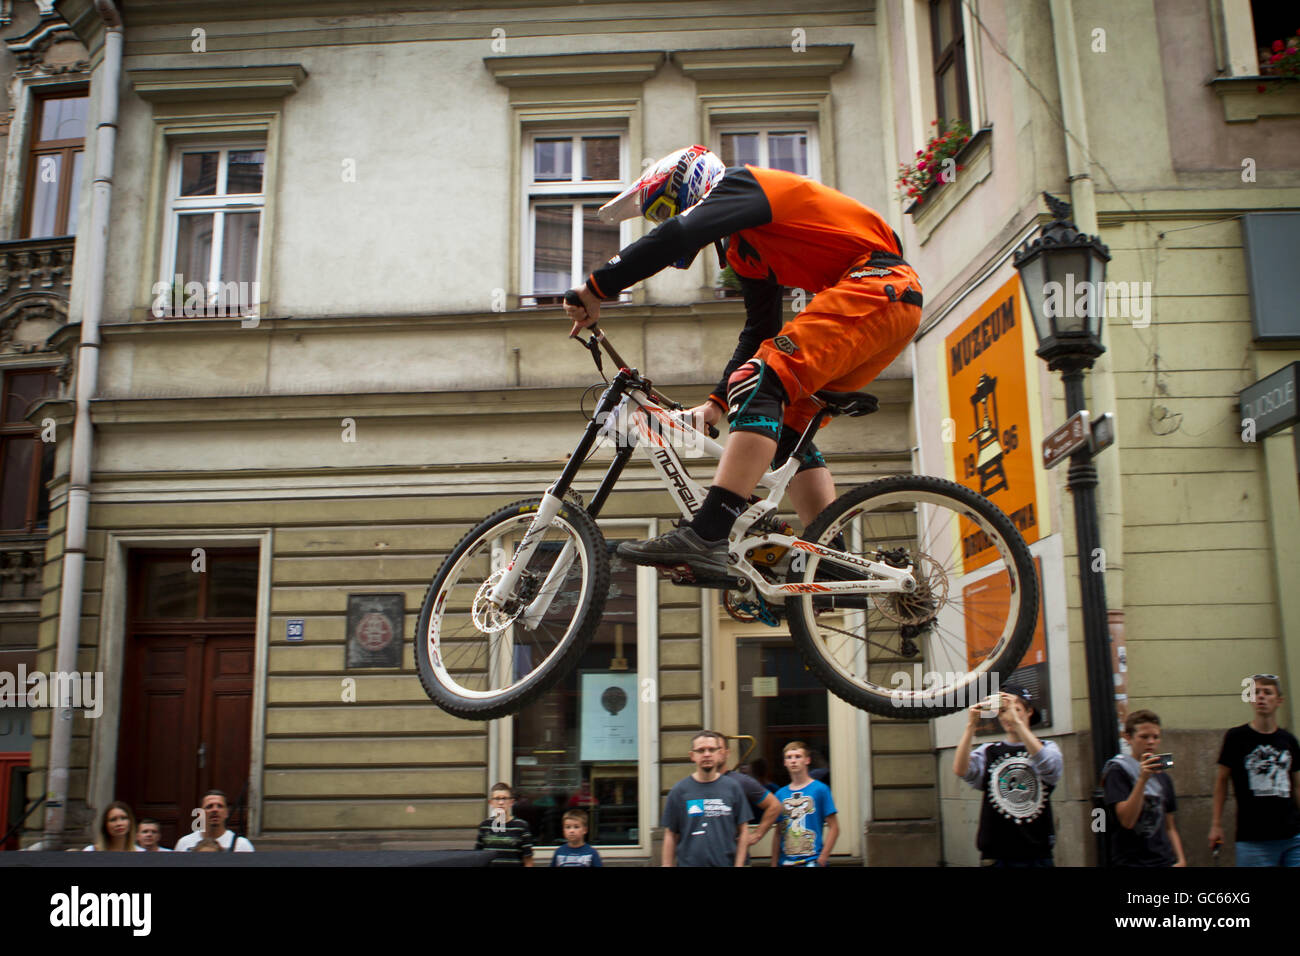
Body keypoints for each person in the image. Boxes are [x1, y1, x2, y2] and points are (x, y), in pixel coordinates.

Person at [564, 145, 922, 575]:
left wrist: (597, 286)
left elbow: (678, 234)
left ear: (689, 186)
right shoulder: (745, 251)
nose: (663, 219)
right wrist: (716, 404)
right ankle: (831, 558)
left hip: (878, 286)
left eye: (664, 207)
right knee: (786, 422)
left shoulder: (745, 184)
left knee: (762, 377)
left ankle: (708, 532)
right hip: (885, 307)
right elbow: (760, 330)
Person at [952, 686, 1062, 866]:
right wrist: (971, 726)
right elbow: (961, 769)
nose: (1008, 716)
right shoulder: (989, 751)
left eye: (1016, 710)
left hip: (1036, 853)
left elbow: (1049, 766)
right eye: (1003, 711)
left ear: (1029, 712)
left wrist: (1018, 725)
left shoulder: (1047, 747)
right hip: (996, 854)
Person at [1210, 674, 1300, 866]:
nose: (1261, 697)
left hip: (1292, 838)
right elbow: (1221, 782)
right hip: (1253, 838)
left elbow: (1297, 786)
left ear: (1279, 701)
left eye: (1267, 693)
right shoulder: (1236, 738)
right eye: (1256, 693)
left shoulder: (1289, 740)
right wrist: (1216, 824)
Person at [1102, 709, 1186, 866]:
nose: (1151, 742)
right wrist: (1142, 779)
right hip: (1132, 861)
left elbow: (1169, 825)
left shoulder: (1163, 777)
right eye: (1144, 737)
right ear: (1128, 738)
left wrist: (1181, 859)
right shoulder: (1117, 771)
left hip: (1164, 860)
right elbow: (1127, 821)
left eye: (1155, 737)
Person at [661, 730, 752, 867]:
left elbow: (744, 831)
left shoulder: (733, 788)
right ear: (692, 756)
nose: (707, 754)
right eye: (701, 750)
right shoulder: (679, 791)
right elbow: (670, 835)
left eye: (711, 749)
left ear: (719, 753)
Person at [771, 740, 839, 867]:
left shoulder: (820, 789)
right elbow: (778, 832)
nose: (793, 761)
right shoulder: (780, 794)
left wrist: (823, 857)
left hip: (812, 860)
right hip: (786, 861)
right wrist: (774, 862)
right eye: (789, 757)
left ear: (807, 760)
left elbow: (834, 827)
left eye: (798, 756)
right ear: (784, 762)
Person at [717, 737, 781, 853]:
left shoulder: (741, 782)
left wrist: (756, 835)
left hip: (734, 855)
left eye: (718, 748)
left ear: (727, 753)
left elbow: (774, 806)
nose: (713, 753)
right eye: (709, 749)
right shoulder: (692, 786)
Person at [475, 782, 534, 867]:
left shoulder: (521, 826)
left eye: (504, 798)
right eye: (497, 799)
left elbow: (528, 861)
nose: (501, 802)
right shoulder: (484, 826)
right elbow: (478, 857)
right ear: (491, 802)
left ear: (511, 802)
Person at [174, 790, 254, 852]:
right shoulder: (184, 844)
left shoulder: (241, 845)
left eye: (220, 806)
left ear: (226, 813)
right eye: (209, 806)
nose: (215, 810)